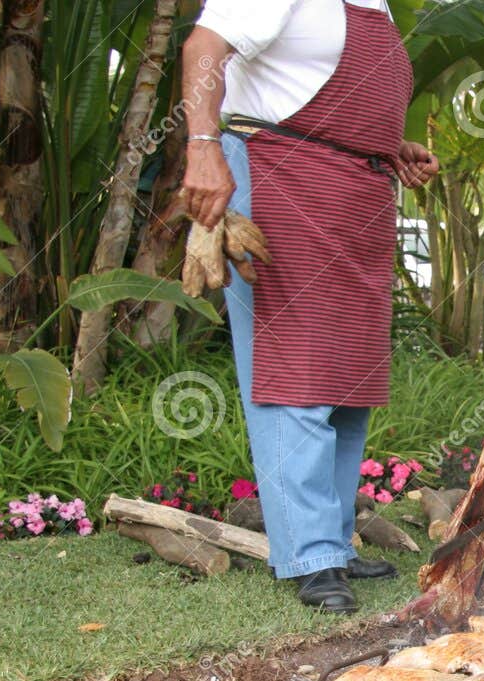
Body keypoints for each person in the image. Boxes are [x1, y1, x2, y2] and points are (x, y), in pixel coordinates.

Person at [182, 0, 439, 612]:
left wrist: (385, 145)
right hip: (281, 174)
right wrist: (202, 146)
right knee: (292, 370)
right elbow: (203, 46)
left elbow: (315, 90)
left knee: (348, 382)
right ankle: (310, 553)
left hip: (357, 191)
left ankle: (333, 542)